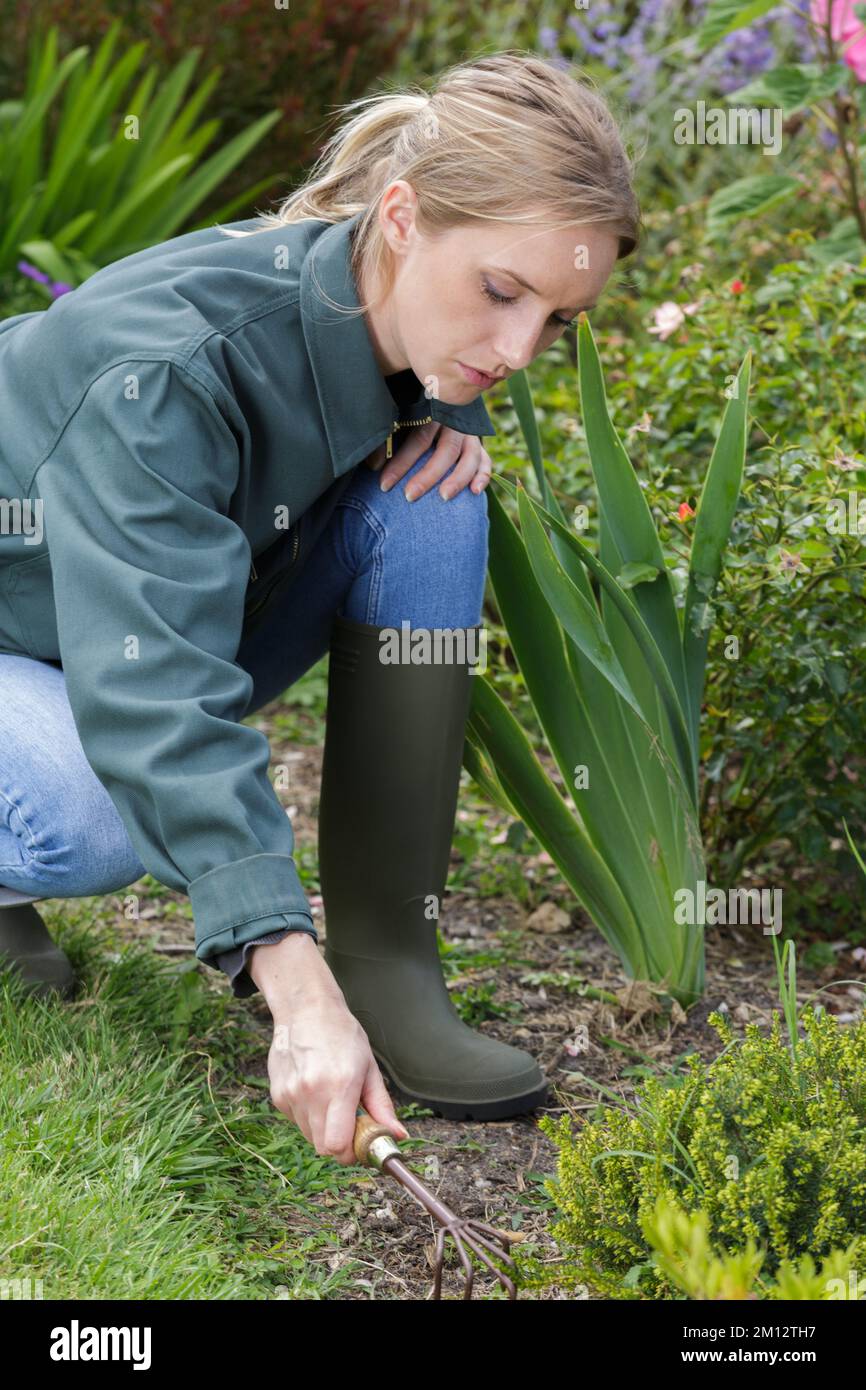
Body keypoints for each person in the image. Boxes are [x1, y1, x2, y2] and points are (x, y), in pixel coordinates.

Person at [0, 50, 640, 1166]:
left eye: (555, 321)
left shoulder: (385, 315)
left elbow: (400, 379)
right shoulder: (168, 376)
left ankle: (389, 967)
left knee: (432, 503)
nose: (515, 353)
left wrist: (451, 411)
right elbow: (155, 690)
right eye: (499, 293)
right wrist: (290, 987)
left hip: (81, 630)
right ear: (399, 216)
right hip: (34, 632)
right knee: (90, 812)